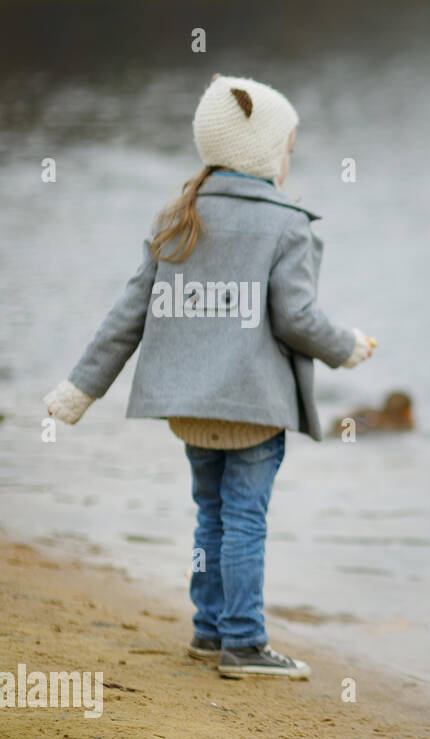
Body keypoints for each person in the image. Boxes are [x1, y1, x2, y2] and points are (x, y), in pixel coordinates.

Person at [42, 74, 376, 679]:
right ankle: (244, 643)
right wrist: (345, 347)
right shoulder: (287, 224)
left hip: (189, 405)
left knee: (210, 513)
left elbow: (128, 314)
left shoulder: (178, 214)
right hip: (252, 406)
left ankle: (208, 629)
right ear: (264, 151)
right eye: (287, 148)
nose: (288, 159)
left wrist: (79, 389)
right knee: (245, 518)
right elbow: (296, 318)